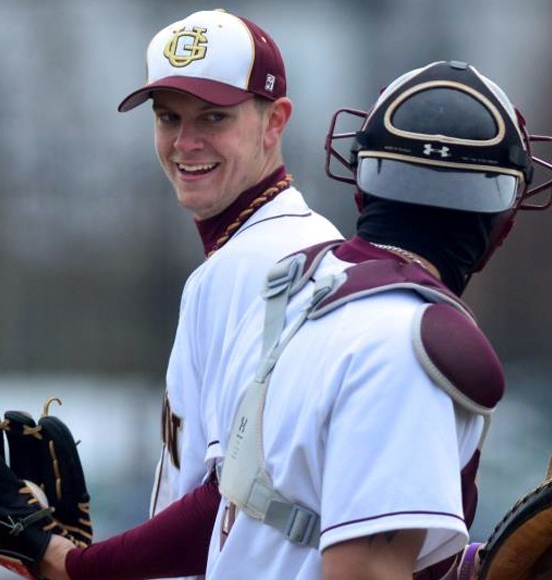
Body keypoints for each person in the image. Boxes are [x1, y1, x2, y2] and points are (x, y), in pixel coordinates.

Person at [201, 60, 552, 579]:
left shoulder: (291, 291)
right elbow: (364, 571)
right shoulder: (413, 344)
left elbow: (297, 523)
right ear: (498, 219)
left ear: (362, 181)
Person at [36, 9, 342, 579]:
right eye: (168, 116)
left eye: (214, 117)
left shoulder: (249, 267)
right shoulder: (307, 244)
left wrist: (73, 565)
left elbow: (224, 503)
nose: (185, 141)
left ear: (275, 121)